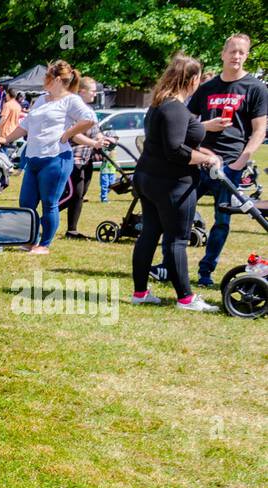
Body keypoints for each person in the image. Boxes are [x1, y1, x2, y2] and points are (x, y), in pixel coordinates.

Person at [129, 53, 223, 311]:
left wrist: (203, 149)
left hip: (149, 179)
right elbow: (175, 150)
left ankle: (140, 292)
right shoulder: (175, 108)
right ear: (192, 79)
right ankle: (185, 298)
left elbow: (174, 140)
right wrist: (207, 159)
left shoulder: (159, 105)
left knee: (149, 234)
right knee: (177, 239)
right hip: (172, 184)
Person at [188, 33, 268, 287]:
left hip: (230, 166)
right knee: (180, 212)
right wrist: (205, 130)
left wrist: (240, 162)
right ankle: (168, 265)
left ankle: (205, 272)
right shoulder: (206, 88)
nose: (236, 56)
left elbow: (259, 130)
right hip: (200, 161)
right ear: (223, 54)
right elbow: (188, 125)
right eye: (232, 51)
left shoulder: (255, 88)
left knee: (221, 221)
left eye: (242, 52)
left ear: (246, 56)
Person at [0, 60, 96, 254]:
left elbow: (90, 119)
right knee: (26, 202)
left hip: (56, 159)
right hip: (33, 159)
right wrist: (5, 138)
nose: (44, 81)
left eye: (47, 77)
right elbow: (26, 126)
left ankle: (44, 244)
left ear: (57, 80)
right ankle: (30, 240)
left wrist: (67, 134)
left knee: (50, 203)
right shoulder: (41, 99)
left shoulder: (71, 100)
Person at [63, 77, 111, 238]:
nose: (95, 94)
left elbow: (96, 130)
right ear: (82, 91)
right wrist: (93, 143)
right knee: (73, 193)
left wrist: (102, 139)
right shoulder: (74, 110)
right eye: (92, 90)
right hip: (73, 157)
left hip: (87, 158)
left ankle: (72, 229)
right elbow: (73, 135)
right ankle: (46, 218)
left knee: (81, 194)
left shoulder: (89, 110)